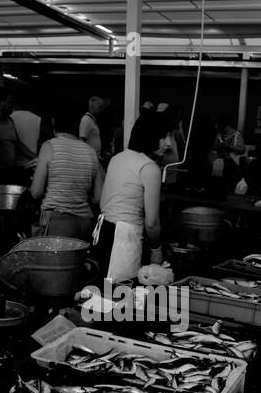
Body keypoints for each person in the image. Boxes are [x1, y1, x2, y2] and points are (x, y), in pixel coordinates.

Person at [95, 111, 169, 282]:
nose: (169, 143)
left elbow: (103, 200)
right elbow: (151, 223)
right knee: (120, 298)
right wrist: (156, 250)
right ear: (150, 136)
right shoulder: (149, 168)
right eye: (164, 137)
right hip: (123, 238)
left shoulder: (117, 158)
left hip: (104, 231)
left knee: (101, 294)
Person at [29, 101, 103, 241]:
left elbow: (36, 192)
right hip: (85, 223)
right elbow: (98, 197)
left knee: (54, 263)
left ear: (53, 122)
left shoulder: (49, 146)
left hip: (57, 222)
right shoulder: (91, 152)